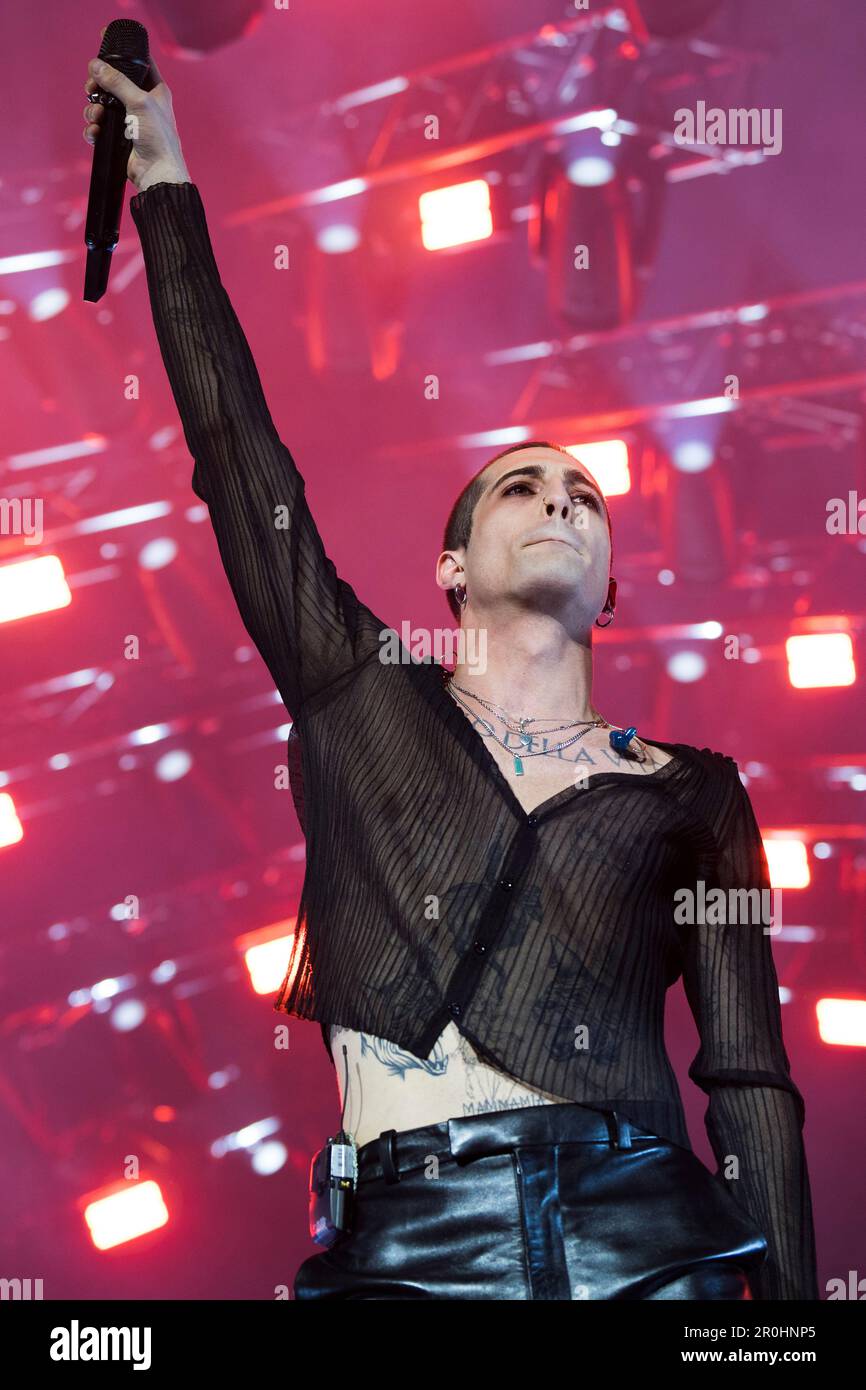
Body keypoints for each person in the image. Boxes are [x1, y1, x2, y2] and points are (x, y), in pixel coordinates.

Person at [83, 47, 819, 1301]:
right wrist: (167, 190)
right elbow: (238, 458)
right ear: (450, 566)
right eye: (521, 488)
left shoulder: (695, 791)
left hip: (649, 1236)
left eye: (582, 495)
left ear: (609, 582)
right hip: (409, 1244)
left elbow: (748, 1077)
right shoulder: (357, 693)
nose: (558, 500)